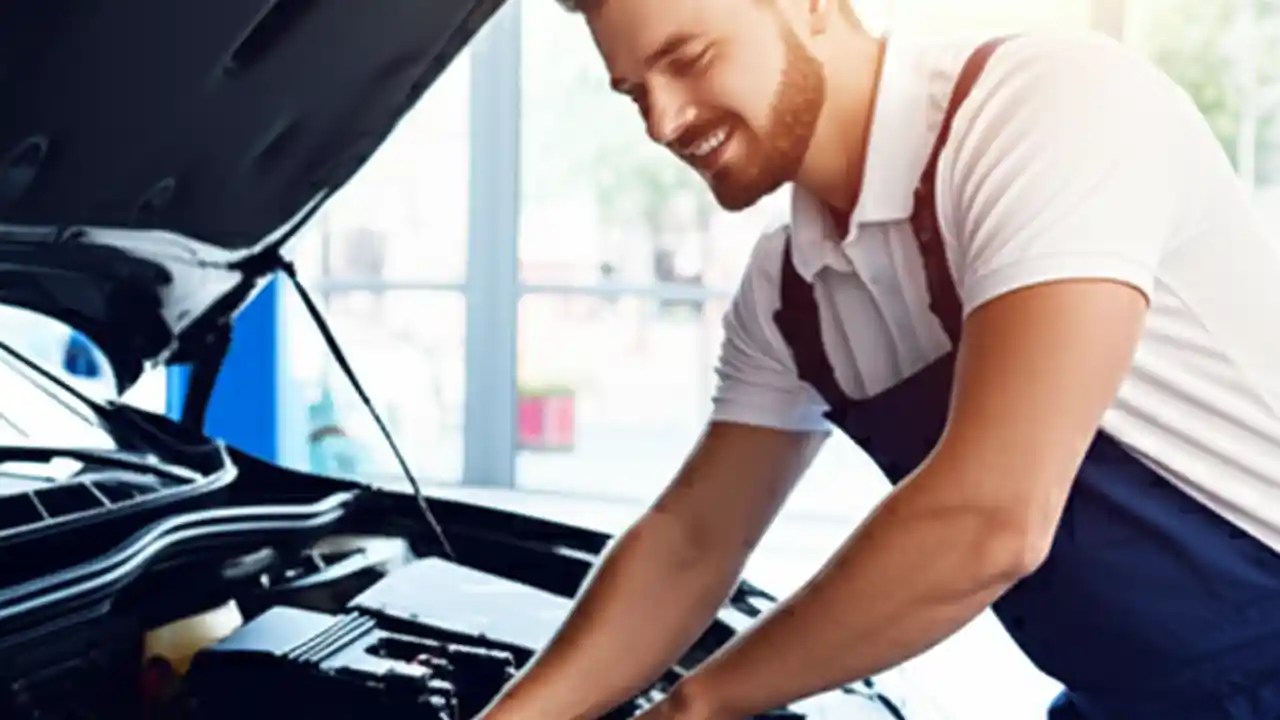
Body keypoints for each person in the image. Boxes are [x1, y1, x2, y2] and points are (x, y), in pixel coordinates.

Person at [478, 0, 1280, 717]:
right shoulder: (789, 292)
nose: (662, 122)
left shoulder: (1046, 109)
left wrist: (702, 704)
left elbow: (992, 517)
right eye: (633, 92)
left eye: (687, 59)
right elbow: (692, 542)